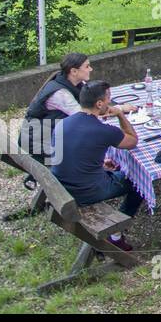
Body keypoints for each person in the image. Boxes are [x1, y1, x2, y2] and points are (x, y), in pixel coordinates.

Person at [51, 82, 142, 251]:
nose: (110, 102)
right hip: (86, 192)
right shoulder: (104, 130)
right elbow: (132, 141)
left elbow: (73, 152)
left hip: (61, 187)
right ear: (99, 103)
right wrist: (121, 114)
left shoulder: (64, 123)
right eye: (109, 98)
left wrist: (98, 165)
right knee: (140, 184)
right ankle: (115, 236)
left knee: (119, 170)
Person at [23, 53, 134, 162]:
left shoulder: (75, 82)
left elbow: (92, 105)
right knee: (93, 136)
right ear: (74, 71)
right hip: (38, 142)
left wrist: (118, 108)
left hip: (53, 134)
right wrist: (120, 109)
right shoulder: (60, 94)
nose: (90, 69)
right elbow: (87, 116)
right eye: (87, 66)